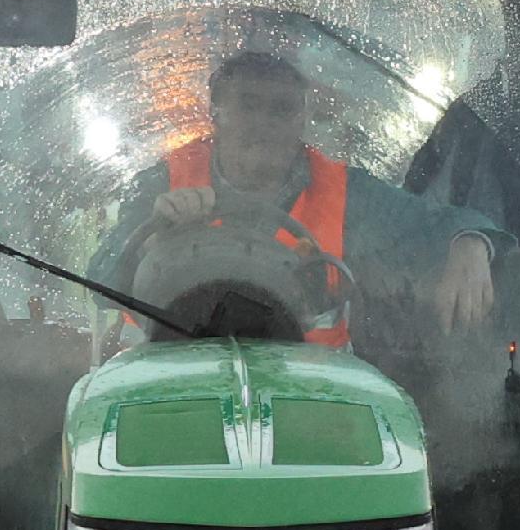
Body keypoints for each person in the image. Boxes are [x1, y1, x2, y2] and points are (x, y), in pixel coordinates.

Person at [110, 41, 495, 348]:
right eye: (248, 104)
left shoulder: (346, 191)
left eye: (281, 109)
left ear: (301, 120)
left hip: (310, 395)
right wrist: (156, 242)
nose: (262, 123)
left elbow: (432, 225)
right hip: (166, 383)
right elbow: (101, 275)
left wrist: (470, 242)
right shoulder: (164, 180)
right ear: (217, 112)